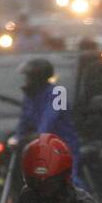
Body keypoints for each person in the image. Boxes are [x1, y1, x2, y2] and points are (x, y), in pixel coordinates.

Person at [17, 57, 83, 185]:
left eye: (29, 77)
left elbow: (50, 118)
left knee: (67, 179)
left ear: (38, 78)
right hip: (42, 146)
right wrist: (17, 137)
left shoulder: (58, 93)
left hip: (63, 144)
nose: (26, 80)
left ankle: (84, 202)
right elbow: (23, 120)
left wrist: (40, 135)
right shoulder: (29, 96)